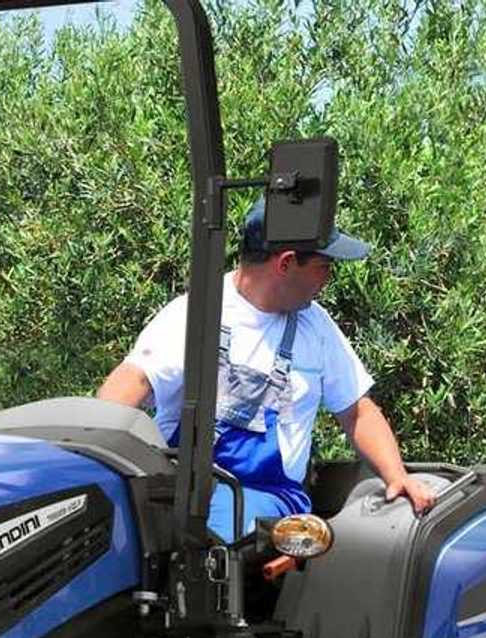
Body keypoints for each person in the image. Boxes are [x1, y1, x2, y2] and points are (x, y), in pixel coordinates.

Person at [96, 199, 435, 540]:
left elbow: (356, 411)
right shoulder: (195, 313)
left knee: (212, 533)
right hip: (180, 487)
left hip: (266, 498)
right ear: (286, 263)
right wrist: (94, 456)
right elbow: (133, 379)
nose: (328, 278)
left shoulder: (315, 327)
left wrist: (396, 475)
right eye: (323, 266)